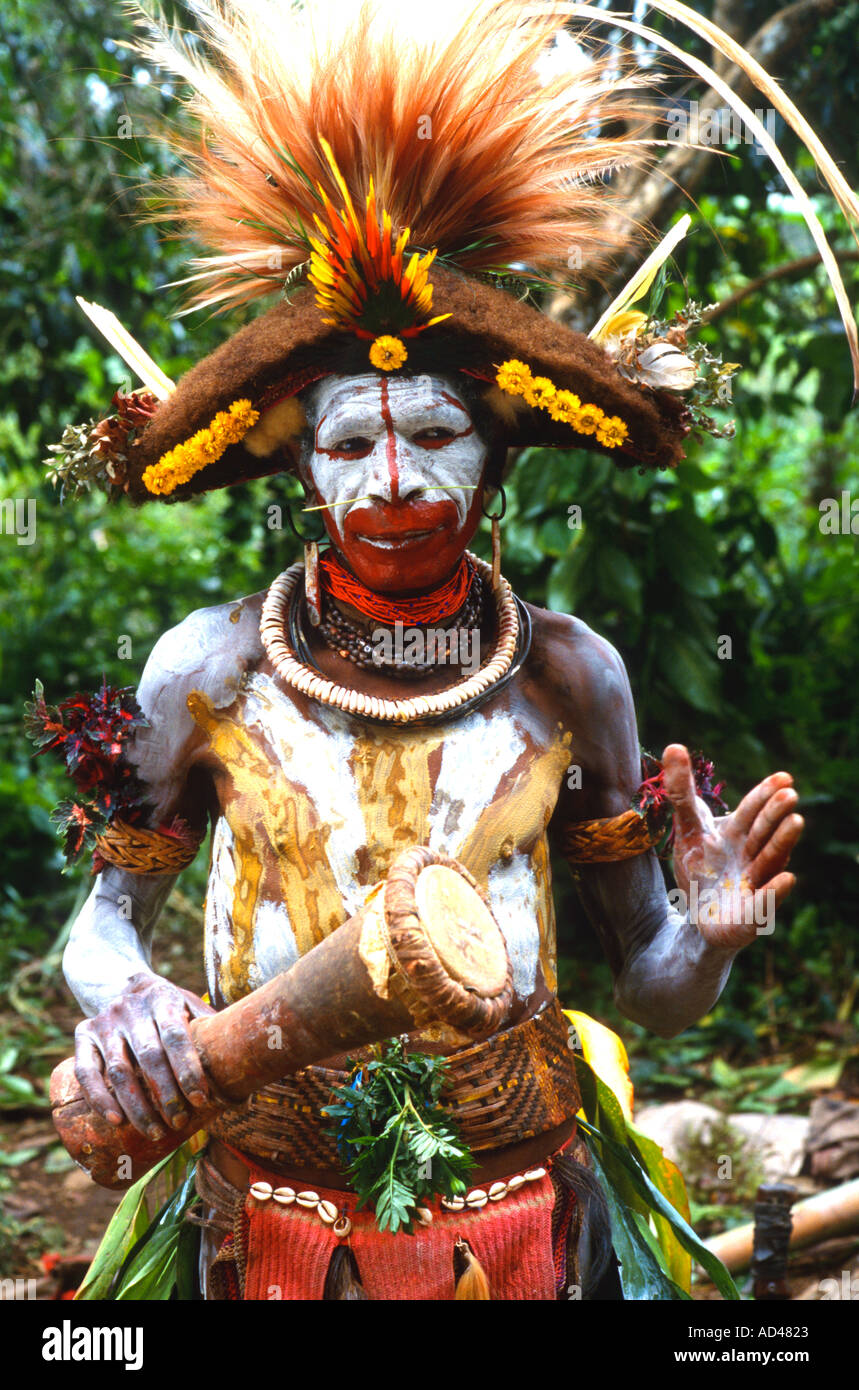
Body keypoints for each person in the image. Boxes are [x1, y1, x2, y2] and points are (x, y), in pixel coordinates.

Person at [46, 0, 854, 1300]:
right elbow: (98, 931)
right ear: (301, 469)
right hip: (268, 1216)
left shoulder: (568, 674)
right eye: (351, 445)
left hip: (522, 1213)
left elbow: (647, 982)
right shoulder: (205, 669)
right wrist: (129, 999)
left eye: (433, 433)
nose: (394, 481)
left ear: (498, 454)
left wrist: (706, 939)